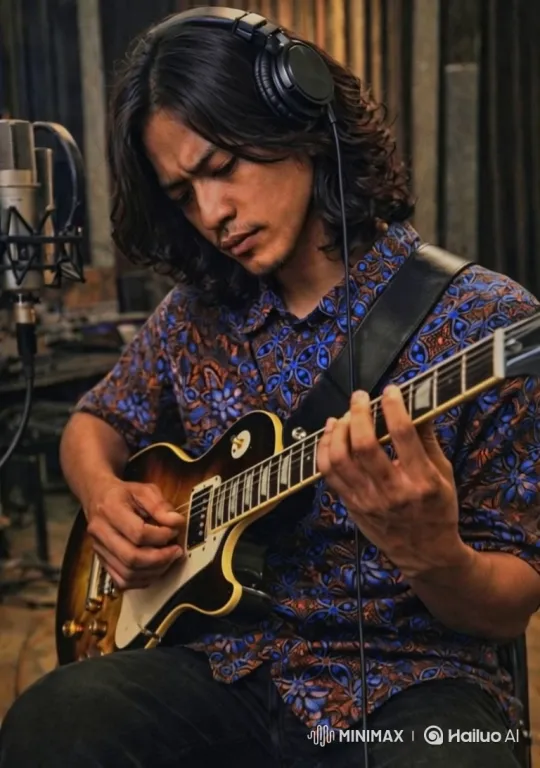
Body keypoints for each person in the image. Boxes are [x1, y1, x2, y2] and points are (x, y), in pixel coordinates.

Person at [1, 8, 540, 768]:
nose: (212, 215)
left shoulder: (487, 323)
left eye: (221, 168)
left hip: (414, 682)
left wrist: (433, 554)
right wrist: (101, 497)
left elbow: (511, 597)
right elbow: (94, 422)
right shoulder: (196, 316)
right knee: (54, 719)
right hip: (220, 662)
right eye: (184, 195)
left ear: (303, 123)